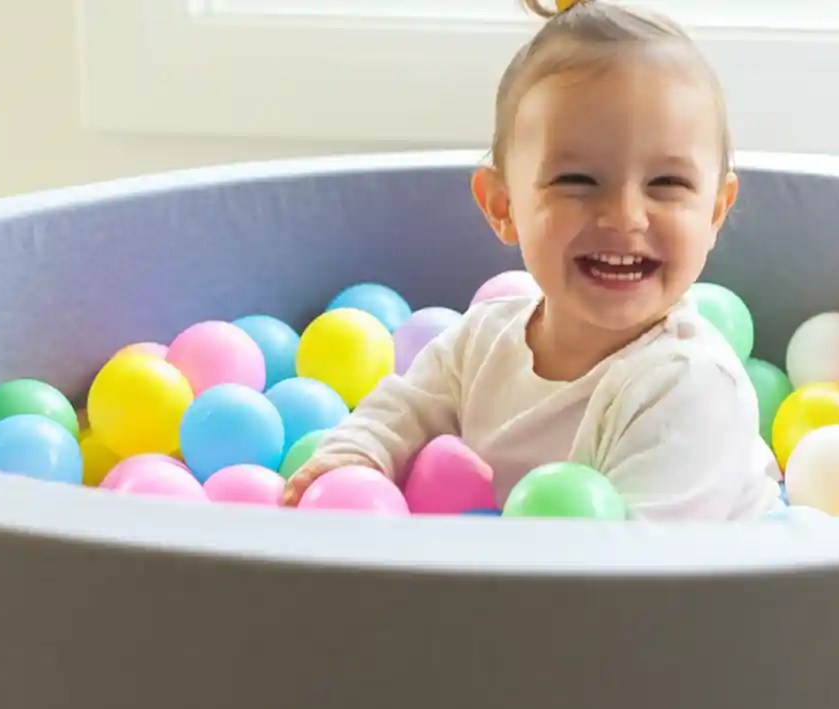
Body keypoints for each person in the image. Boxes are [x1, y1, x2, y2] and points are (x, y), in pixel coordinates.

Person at [284, 0, 782, 520]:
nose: (625, 216)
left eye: (667, 183)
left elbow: (642, 583)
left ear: (715, 212)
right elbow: (402, 410)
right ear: (503, 206)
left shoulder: (688, 388)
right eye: (577, 181)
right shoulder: (481, 341)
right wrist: (350, 461)